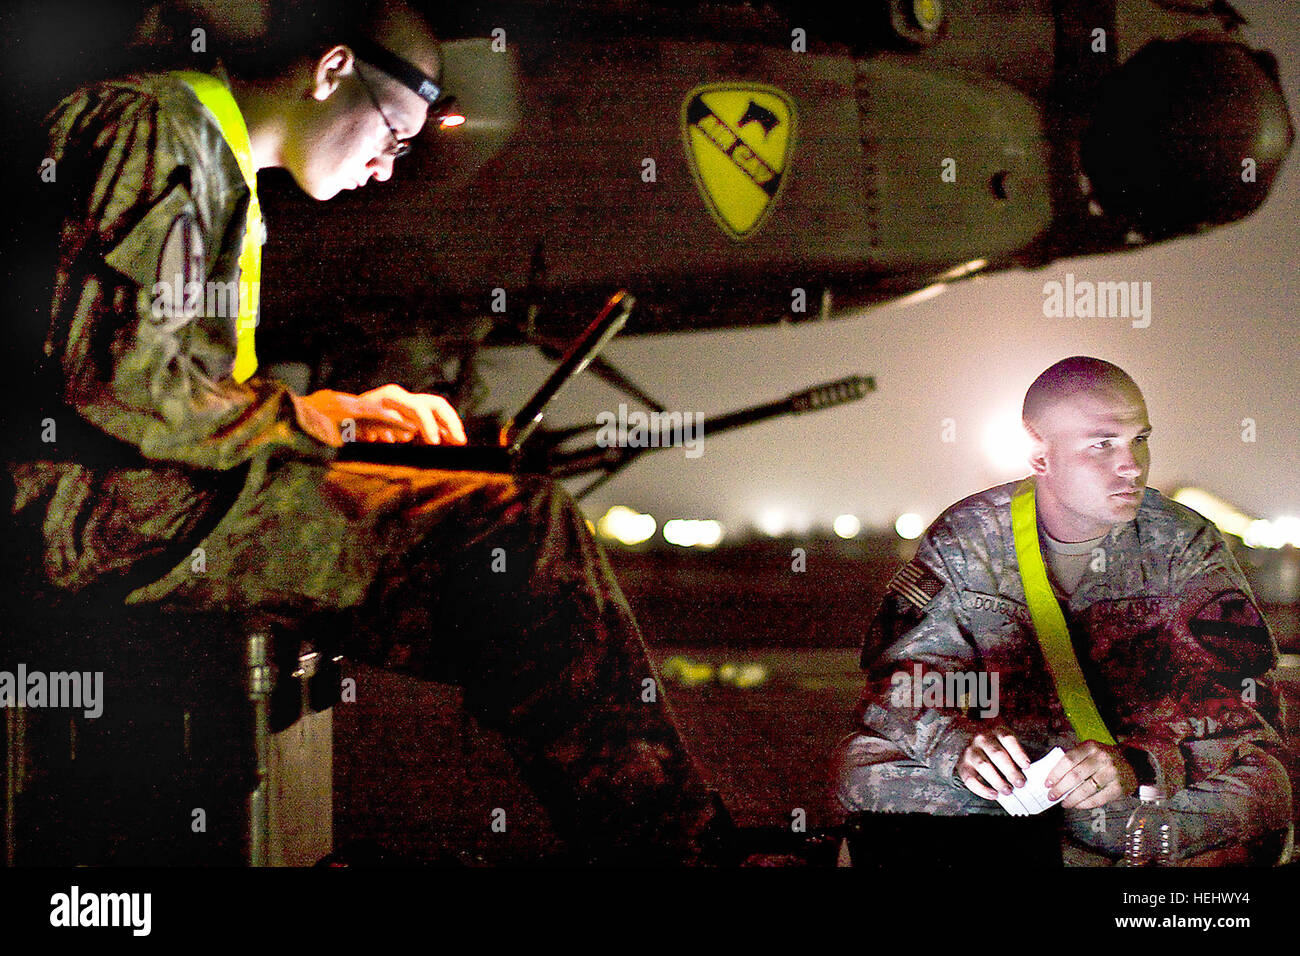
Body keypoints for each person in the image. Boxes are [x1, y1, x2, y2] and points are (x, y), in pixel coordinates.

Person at [1, 0, 728, 865]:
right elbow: (123, 385)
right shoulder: (159, 129)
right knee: (518, 534)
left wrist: (338, 419)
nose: (389, 167)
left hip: (113, 498)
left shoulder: (209, 155)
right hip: (72, 512)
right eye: (393, 133)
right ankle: (683, 855)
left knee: (496, 511)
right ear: (333, 69)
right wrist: (313, 423)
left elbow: (169, 386)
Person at [832, 356, 1292, 865]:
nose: (1133, 465)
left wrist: (1140, 763)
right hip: (1014, 776)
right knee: (866, 766)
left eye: (1140, 439)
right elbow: (897, 683)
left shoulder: (1183, 542)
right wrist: (957, 746)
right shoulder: (967, 537)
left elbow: (1246, 704)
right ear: (1039, 456)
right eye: (1103, 444)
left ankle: (1056, 849)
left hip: (1132, 777)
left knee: (1261, 785)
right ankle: (1097, 851)